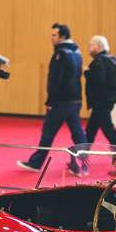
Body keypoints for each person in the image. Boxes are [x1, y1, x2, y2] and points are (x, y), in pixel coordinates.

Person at [18, 23, 87, 175]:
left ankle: (36, 163)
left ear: (62, 37)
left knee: (48, 133)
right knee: (78, 134)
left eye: (54, 35)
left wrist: (50, 101)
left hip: (60, 101)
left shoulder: (60, 54)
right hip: (76, 99)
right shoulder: (77, 52)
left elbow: (56, 80)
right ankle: (84, 165)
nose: (51, 38)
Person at [83, 35, 116, 148]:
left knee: (108, 130)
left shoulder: (99, 61)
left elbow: (98, 79)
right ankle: (82, 155)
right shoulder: (113, 59)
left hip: (101, 101)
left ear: (97, 46)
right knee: (91, 129)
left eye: (90, 45)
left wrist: (86, 72)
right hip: (109, 99)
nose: (88, 47)